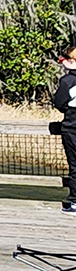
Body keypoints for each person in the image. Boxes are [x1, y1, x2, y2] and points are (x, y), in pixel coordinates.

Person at [53, 46, 76, 215]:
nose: (62, 63)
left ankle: (75, 201)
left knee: (75, 165)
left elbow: (59, 102)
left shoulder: (67, 81)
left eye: (65, 60)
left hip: (72, 127)